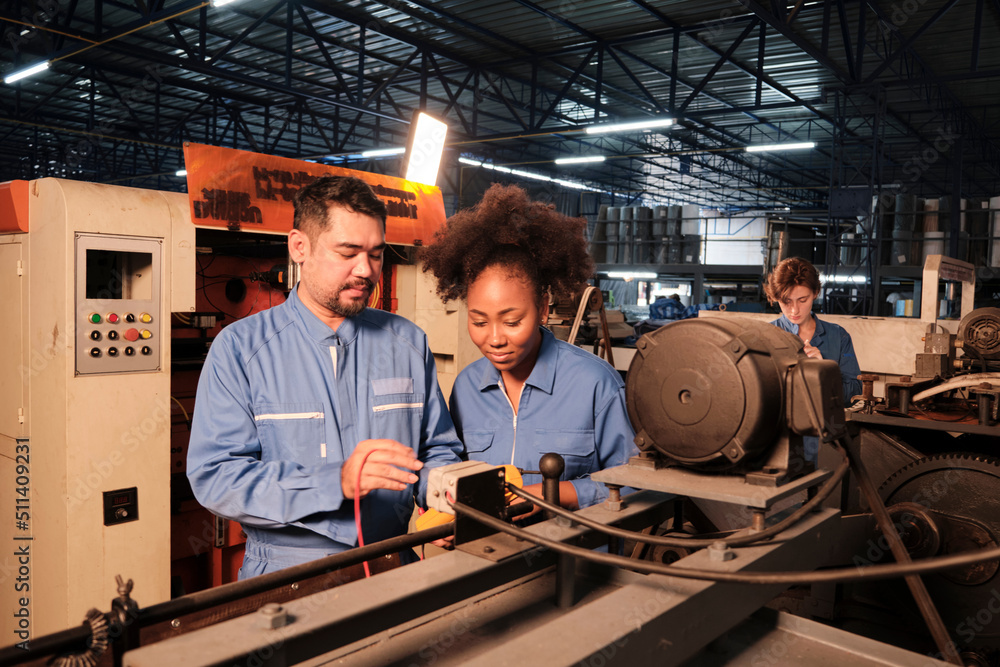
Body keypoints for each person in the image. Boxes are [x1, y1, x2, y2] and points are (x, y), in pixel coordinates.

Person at [187, 175, 463, 578]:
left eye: (376, 254)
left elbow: (437, 450)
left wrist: (444, 498)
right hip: (287, 573)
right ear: (300, 247)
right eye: (348, 252)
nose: (365, 270)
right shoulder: (241, 350)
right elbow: (217, 477)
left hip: (392, 562)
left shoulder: (407, 343)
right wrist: (334, 482)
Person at [420, 184, 638, 511]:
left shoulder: (596, 384)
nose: (494, 338)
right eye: (479, 322)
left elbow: (635, 484)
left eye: (511, 321)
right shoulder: (466, 388)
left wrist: (551, 496)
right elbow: (459, 478)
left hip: (572, 556)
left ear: (543, 308)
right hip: (488, 555)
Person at [764, 257, 862, 461]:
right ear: (776, 298)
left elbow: (854, 392)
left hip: (826, 443)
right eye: (786, 302)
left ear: (815, 293)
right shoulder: (766, 336)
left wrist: (823, 370)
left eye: (802, 300)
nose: (794, 311)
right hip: (776, 442)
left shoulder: (838, 336)